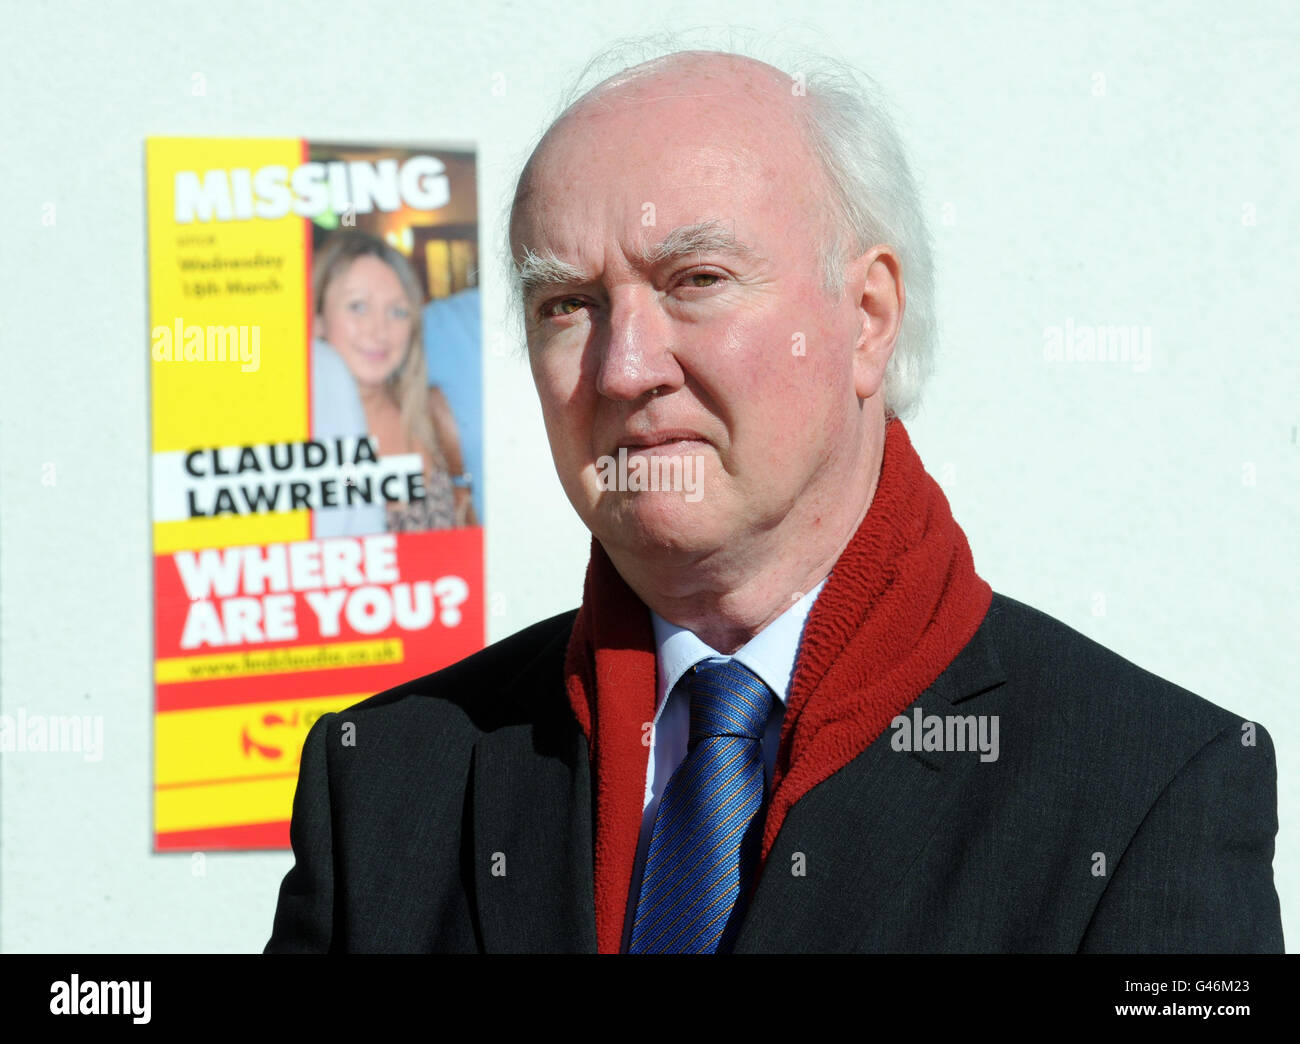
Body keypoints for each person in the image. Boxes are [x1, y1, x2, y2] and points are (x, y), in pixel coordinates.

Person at [265, 48, 1283, 953]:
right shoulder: (388, 782)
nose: (624, 369)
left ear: (869, 318)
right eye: (566, 305)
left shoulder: (1145, 792)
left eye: (696, 279)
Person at [312, 230, 477, 531]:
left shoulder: (433, 417)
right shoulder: (288, 432)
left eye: (398, 311)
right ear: (318, 318)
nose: (379, 330)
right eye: (358, 306)